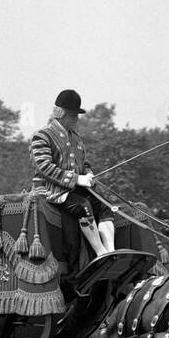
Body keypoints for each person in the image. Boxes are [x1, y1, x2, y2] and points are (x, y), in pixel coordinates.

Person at [30, 89, 114, 278]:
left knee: (105, 207)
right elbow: (44, 166)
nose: (75, 118)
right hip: (52, 192)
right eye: (72, 115)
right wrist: (77, 179)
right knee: (83, 207)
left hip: (75, 190)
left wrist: (88, 176)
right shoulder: (42, 136)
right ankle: (100, 253)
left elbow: (84, 163)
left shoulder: (75, 137)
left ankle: (111, 251)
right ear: (61, 114)